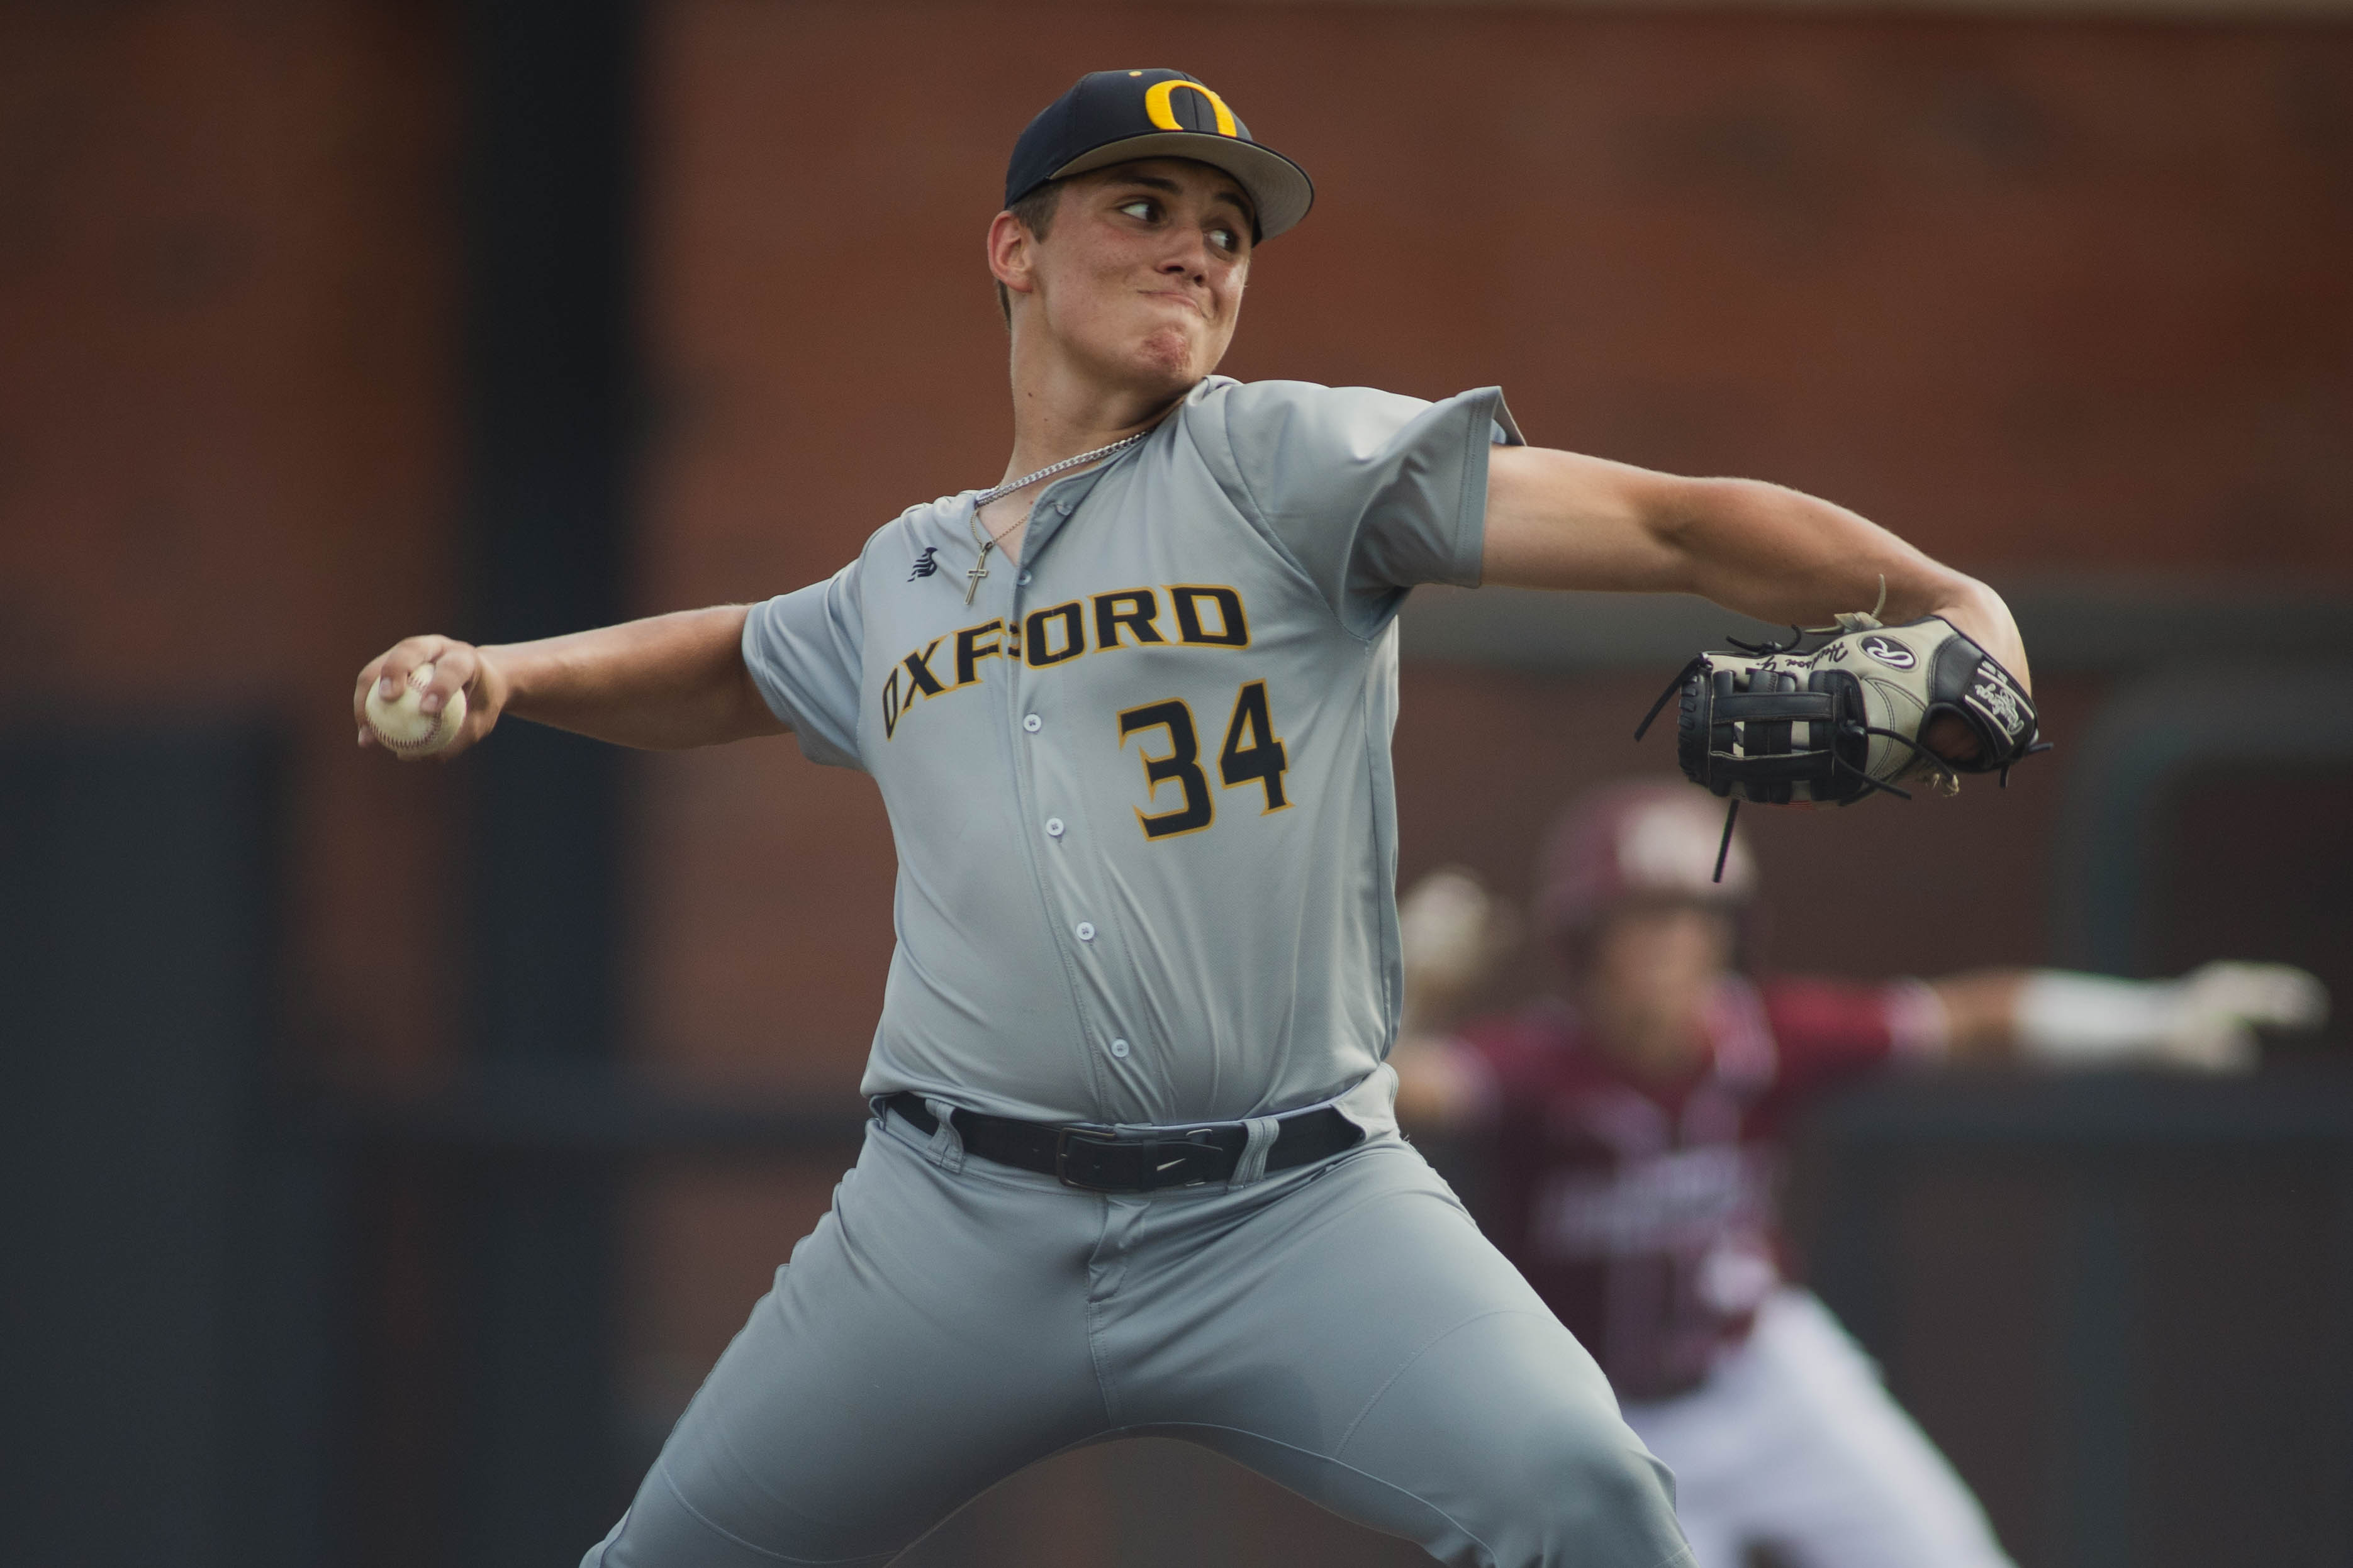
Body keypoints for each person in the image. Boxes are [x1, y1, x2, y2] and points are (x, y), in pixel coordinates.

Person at [354, 68, 2037, 1568]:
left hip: (1293, 1204)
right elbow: (729, 659)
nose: (1195, 250)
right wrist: (509, 668)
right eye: (1141, 206)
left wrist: (1953, 593)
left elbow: (1669, 528)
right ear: (1012, 248)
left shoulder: (1280, 464)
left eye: (1227, 229)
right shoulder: (907, 571)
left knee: (1587, 1501)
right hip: (950, 1221)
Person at [1392, 780, 2328, 1568]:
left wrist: (2150, 1020)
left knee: (1953, 1553)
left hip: (1764, 1369)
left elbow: (1965, 1017)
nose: (1677, 945)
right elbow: (1401, 1092)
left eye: (1698, 916)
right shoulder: (1538, 1066)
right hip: (1618, 1425)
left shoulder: (1766, 1037)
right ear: (1585, 939)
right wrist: (1408, 988)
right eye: (1645, 918)